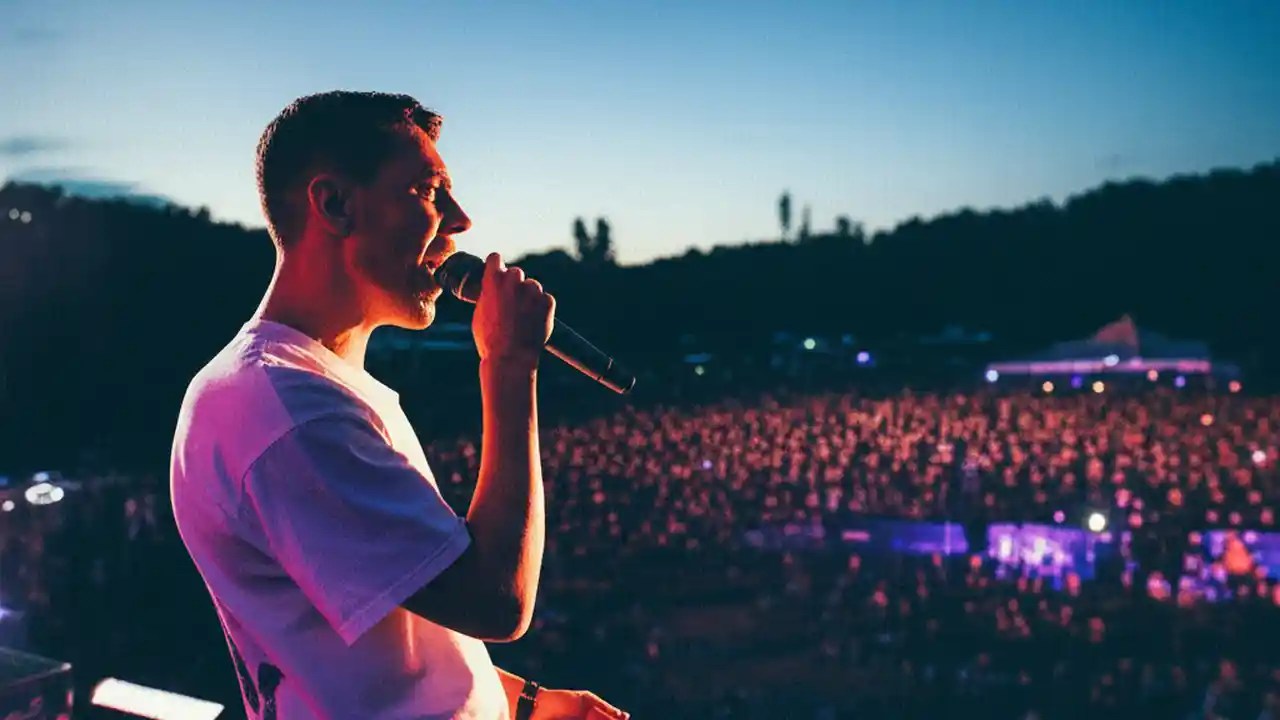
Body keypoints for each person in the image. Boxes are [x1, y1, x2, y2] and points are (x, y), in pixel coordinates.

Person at [170, 91, 628, 720]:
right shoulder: (290, 411)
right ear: (334, 204)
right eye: (428, 191)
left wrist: (524, 704)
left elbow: (386, 640)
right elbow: (496, 599)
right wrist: (509, 366)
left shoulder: (298, 389)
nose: (461, 221)